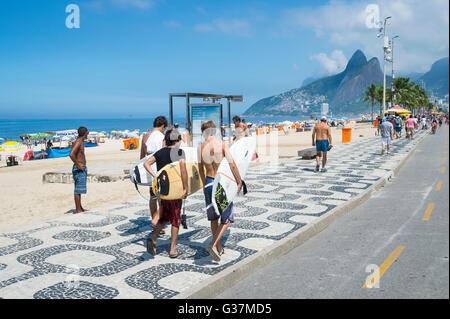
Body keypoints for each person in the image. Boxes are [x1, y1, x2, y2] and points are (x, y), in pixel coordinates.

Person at [198, 120, 243, 261]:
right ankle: (213, 244)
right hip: (220, 184)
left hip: (208, 182)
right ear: (214, 130)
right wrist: (239, 180)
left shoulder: (200, 148)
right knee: (227, 217)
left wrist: (203, 186)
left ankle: (218, 248)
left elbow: (200, 170)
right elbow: (232, 164)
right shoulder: (222, 144)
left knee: (213, 217)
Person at [144, 129, 188, 258]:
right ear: (176, 140)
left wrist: (155, 175)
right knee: (175, 218)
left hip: (163, 190)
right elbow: (184, 171)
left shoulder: (160, 152)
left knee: (164, 216)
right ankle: (173, 249)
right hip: (175, 190)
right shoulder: (179, 152)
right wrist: (185, 188)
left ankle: (154, 239)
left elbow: (146, 163)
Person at [140, 116, 168, 230]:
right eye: (164, 128)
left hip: (149, 170)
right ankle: (159, 223)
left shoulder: (146, 136)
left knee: (152, 197)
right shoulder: (162, 137)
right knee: (162, 198)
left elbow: (142, 155)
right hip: (160, 171)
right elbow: (165, 154)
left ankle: (154, 218)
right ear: (162, 126)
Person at [69, 127, 89, 214]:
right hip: (78, 169)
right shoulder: (78, 142)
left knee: (79, 189)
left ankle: (80, 207)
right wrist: (79, 165)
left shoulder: (79, 141)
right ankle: (78, 210)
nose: (88, 134)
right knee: (78, 190)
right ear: (85, 133)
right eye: (87, 133)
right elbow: (71, 154)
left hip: (80, 168)